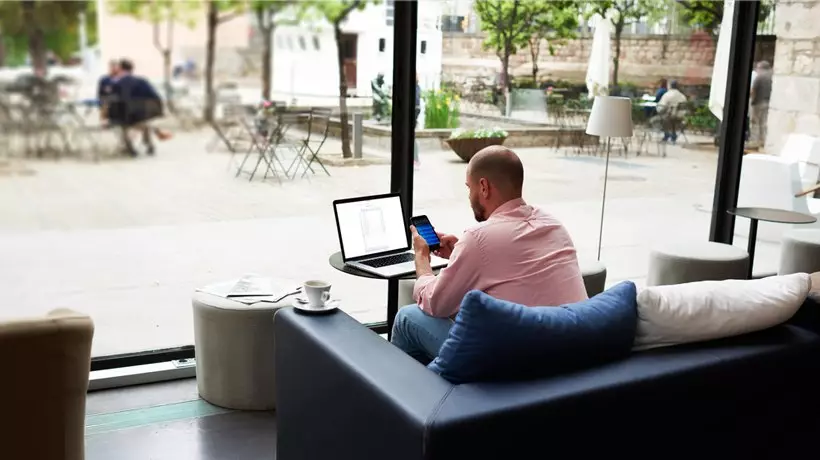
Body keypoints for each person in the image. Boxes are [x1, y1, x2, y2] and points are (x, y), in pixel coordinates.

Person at [391, 146, 588, 364]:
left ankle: (405, 394)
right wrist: (460, 253)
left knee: (407, 318)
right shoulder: (553, 225)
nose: (469, 196)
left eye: (469, 188)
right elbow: (515, 266)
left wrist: (422, 259)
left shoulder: (478, 238)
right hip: (572, 352)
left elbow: (436, 303)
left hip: (516, 364)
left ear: (484, 187)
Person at [106, 59, 171, 156]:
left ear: (120, 69)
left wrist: (108, 116)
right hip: (142, 113)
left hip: (125, 116)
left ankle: (130, 148)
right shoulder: (142, 81)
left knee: (125, 125)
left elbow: (112, 101)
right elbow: (154, 96)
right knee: (144, 123)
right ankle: (150, 144)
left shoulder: (117, 84)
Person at [657, 80, 687, 144]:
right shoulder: (682, 96)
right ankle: (673, 135)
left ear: (670, 86)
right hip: (680, 117)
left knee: (663, 117)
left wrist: (658, 110)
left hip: (669, 117)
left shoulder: (667, 95)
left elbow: (661, 106)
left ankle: (666, 134)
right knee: (672, 117)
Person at [749, 60, 772, 147]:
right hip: (768, 102)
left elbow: (753, 90)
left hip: (758, 103)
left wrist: (752, 101)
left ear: (761, 68)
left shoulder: (759, 77)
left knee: (755, 122)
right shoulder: (771, 76)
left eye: (757, 68)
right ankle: (763, 141)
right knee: (763, 123)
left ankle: (754, 141)